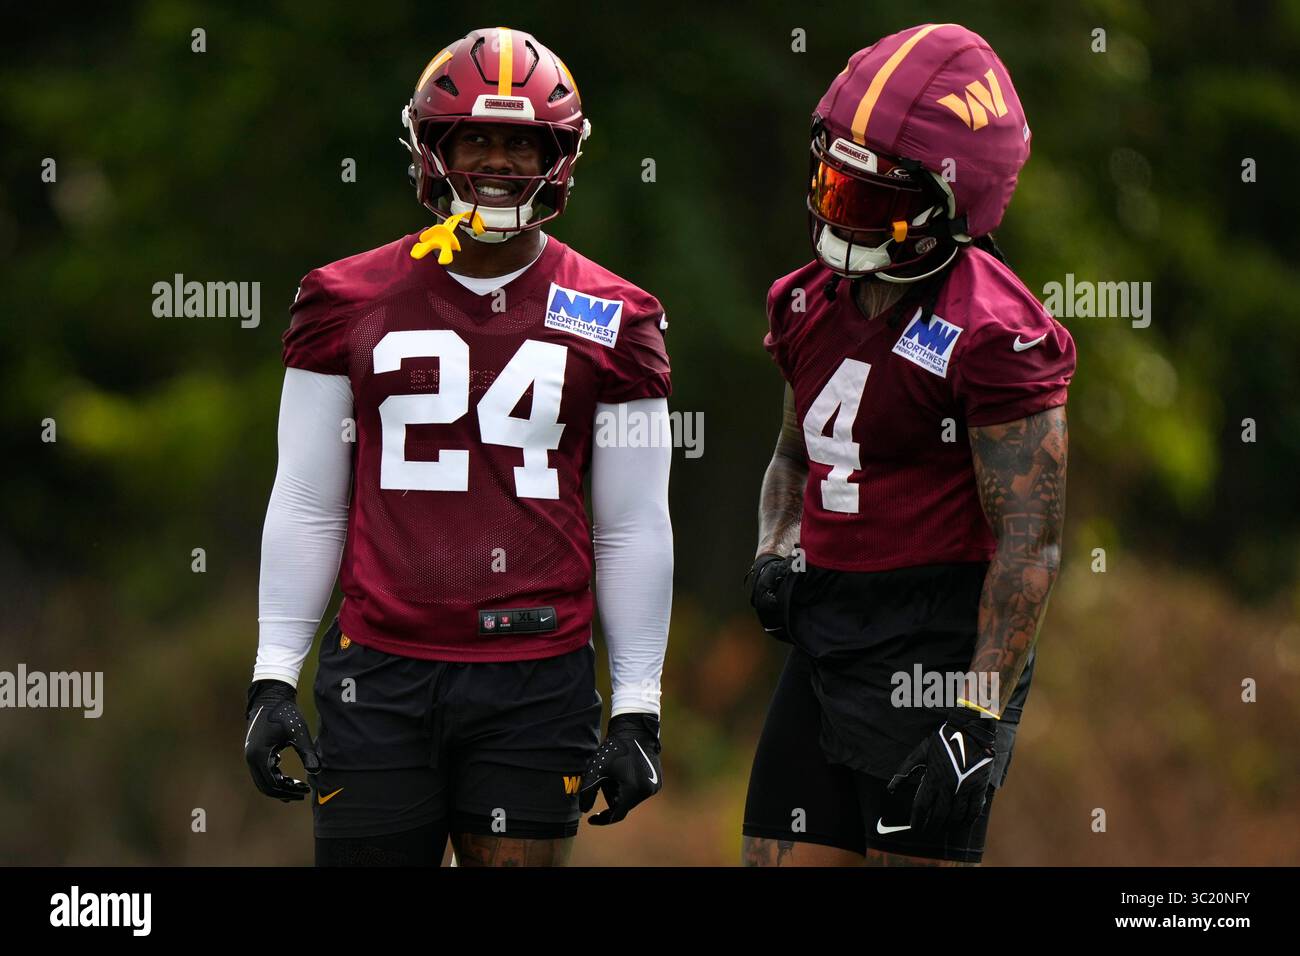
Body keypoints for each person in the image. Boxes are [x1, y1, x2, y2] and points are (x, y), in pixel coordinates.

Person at [243, 27, 673, 867]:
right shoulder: (343, 297)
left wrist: (638, 705)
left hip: (537, 674)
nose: (499, 162)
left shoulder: (616, 315)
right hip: (380, 669)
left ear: (559, 157)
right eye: (476, 138)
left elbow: (632, 525)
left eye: (522, 144)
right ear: (430, 146)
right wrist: (272, 674)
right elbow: (306, 499)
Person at [742, 23, 1075, 866]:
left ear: (952, 203)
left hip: (936, 640)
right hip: (828, 624)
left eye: (871, 199)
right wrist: (776, 546)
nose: (838, 214)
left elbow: (1029, 542)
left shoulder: (996, 332)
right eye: (834, 183)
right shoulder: (806, 302)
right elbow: (793, 454)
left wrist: (978, 712)